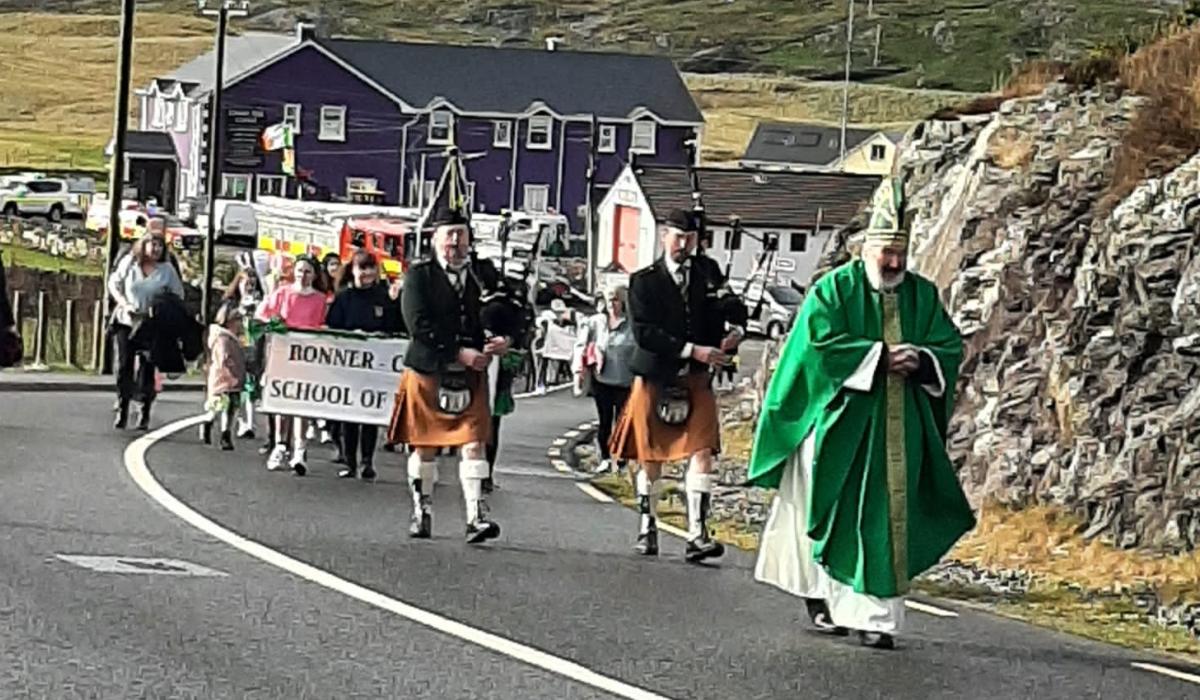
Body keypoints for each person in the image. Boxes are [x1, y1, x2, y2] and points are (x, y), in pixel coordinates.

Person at [746, 177, 975, 650]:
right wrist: (876, 357)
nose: (894, 264)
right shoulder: (833, 291)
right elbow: (817, 348)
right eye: (886, 252)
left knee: (884, 516)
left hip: (900, 430)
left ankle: (875, 616)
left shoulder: (921, 295)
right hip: (837, 425)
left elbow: (949, 346)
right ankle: (824, 597)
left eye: (900, 254)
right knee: (832, 514)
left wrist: (923, 360)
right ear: (866, 248)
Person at [609, 208, 748, 562]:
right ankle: (647, 526)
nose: (683, 244)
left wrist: (736, 330)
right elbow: (645, 333)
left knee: (702, 450)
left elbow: (732, 306)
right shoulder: (643, 281)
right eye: (678, 237)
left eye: (690, 238)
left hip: (696, 378)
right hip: (656, 376)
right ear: (663, 236)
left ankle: (697, 533)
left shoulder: (708, 272)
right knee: (650, 456)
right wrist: (692, 350)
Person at [387, 203, 515, 543]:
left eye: (461, 235)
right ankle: (422, 511)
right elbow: (418, 324)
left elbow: (510, 310)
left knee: (474, 443)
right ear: (435, 239)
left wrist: (505, 339)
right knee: (425, 446)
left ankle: (476, 517)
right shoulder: (419, 276)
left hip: (471, 374)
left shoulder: (483, 274)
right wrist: (458, 352)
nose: (456, 242)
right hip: (429, 369)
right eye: (449, 235)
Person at [326, 250, 404, 480]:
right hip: (349, 367)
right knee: (349, 417)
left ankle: (367, 462)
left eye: (371, 268)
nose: (367, 273)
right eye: (362, 268)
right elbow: (332, 328)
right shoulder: (344, 298)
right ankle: (349, 461)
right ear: (353, 270)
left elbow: (395, 326)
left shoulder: (383, 297)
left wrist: (395, 303)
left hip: (375, 366)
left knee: (370, 416)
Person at [256, 254, 327, 475]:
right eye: (299, 271)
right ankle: (280, 445)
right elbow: (262, 315)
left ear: (314, 275)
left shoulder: (320, 300)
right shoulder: (282, 293)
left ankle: (300, 448)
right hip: (282, 354)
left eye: (307, 271)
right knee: (281, 401)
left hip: (306, 357)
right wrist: (274, 324)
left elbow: (323, 326)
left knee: (300, 404)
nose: (302, 275)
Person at [107, 232, 185, 430]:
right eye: (153, 244)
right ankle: (123, 406)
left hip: (151, 325)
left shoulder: (167, 270)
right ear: (143, 245)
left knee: (147, 367)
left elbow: (178, 294)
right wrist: (124, 303)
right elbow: (114, 283)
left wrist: (162, 307)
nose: (156, 249)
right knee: (124, 365)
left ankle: (144, 410)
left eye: (160, 245)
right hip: (127, 321)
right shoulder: (130, 262)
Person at [574, 284, 636, 474]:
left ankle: (622, 460)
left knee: (623, 423)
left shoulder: (632, 325)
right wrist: (578, 371)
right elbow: (580, 346)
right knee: (604, 421)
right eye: (609, 299)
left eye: (616, 299)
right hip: (602, 380)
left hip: (626, 381)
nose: (611, 304)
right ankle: (605, 458)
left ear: (623, 302)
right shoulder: (595, 322)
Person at [200, 301, 247, 451]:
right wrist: (230, 369)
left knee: (231, 407)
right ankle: (213, 427)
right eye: (237, 320)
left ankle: (225, 433)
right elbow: (223, 358)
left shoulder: (232, 338)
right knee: (220, 405)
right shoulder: (222, 338)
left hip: (233, 378)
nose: (240, 324)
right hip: (223, 378)